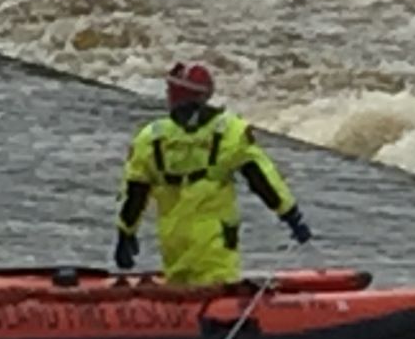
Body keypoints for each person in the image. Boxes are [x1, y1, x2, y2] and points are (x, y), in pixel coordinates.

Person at [114, 62, 311, 286]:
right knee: (217, 289)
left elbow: (135, 193)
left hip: (173, 242)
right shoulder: (229, 131)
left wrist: (125, 233)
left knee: (180, 289)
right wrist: (290, 215)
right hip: (215, 244)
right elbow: (262, 178)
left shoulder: (151, 138)